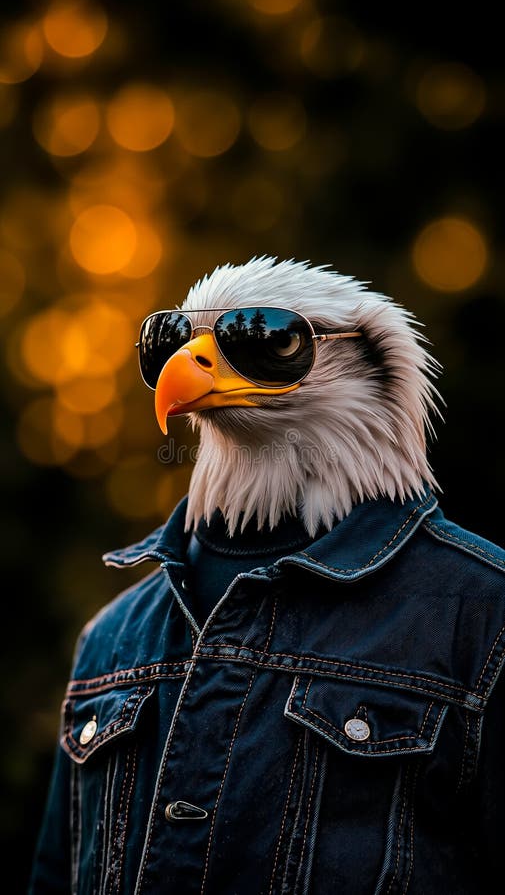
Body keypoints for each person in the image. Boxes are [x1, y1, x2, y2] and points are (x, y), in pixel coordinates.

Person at [29, 258, 505, 894]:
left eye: (270, 340)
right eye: (175, 341)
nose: (191, 363)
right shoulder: (114, 636)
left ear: (379, 366)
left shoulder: (483, 612)